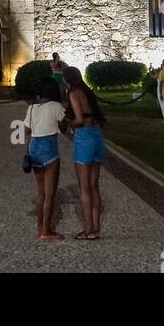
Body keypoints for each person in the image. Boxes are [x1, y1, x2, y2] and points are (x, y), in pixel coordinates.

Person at [63, 66, 106, 240]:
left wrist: (68, 122)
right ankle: (95, 226)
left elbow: (79, 120)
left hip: (84, 138)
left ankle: (88, 229)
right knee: (95, 186)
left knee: (84, 188)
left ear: (67, 80)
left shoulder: (73, 94)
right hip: (97, 136)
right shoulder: (87, 92)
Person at [23, 77, 67, 241]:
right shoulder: (56, 106)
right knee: (50, 194)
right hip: (49, 147)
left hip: (34, 147)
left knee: (40, 192)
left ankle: (39, 227)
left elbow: (26, 130)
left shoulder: (32, 107)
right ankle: (46, 231)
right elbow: (63, 128)